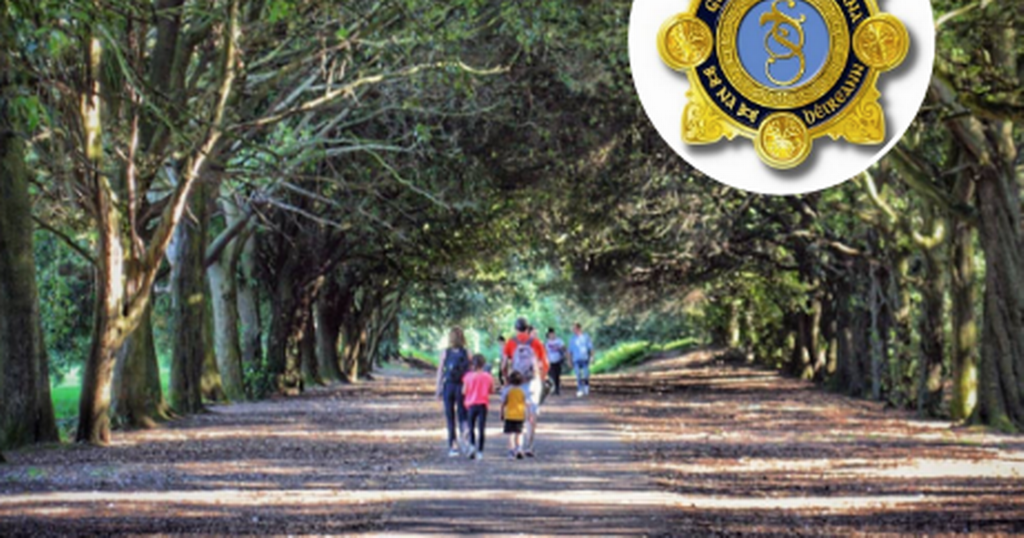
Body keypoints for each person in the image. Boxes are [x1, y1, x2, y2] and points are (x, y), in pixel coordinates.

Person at [502, 318, 548, 457]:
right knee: (531, 411)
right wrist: (541, 377)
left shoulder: (510, 342)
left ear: (516, 329)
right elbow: (545, 363)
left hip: (517, 381)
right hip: (533, 381)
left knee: (517, 410)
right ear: (527, 329)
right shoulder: (536, 343)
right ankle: (529, 445)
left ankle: (516, 446)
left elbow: (504, 364)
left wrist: (506, 380)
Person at [436, 327, 470, 457]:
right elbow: (471, 371)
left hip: (448, 386)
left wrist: (437, 388)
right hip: (462, 387)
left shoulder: (445, 353)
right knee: (463, 414)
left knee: (450, 417)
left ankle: (453, 445)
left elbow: (440, 371)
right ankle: (465, 441)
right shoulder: (467, 352)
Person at [462, 354, 494, 460]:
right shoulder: (488, 377)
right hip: (483, 404)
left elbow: (464, 391)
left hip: (471, 404)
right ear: (483, 364)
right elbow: (491, 390)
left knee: (471, 427)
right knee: (481, 428)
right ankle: (480, 451)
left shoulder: (467, 377)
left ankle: (472, 446)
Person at [501, 371, 528, 459]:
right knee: (519, 433)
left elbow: (503, 402)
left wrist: (501, 413)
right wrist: (527, 414)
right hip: (520, 414)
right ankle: (519, 448)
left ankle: (511, 451)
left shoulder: (507, 390)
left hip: (509, 414)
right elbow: (526, 403)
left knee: (510, 434)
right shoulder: (523, 390)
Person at [569, 322, 594, 397]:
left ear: (579, 329)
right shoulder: (572, 339)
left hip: (584, 358)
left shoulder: (586, 337)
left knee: (586, 374)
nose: (574, 330)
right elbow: (570, 351)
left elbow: (591, 348)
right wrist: (569, 360)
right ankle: (580, 389)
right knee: (578, 375)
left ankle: (586, 385)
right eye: (573, 329)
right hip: (576, 359)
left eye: (575, 329)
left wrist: (592, 357)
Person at [545, 328, 567, 396]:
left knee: (557, 375)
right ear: (548, 335)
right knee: (551, 376)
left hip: (558, 360)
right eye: (550, 334)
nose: (552, 335)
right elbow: (545, 352)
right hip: (550, 361)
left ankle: (557, 389)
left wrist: (564, 353)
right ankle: (553, 389)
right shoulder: (547, 342)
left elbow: (564, 348)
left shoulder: (559, 341)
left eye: (553, 334)